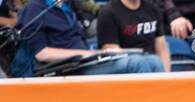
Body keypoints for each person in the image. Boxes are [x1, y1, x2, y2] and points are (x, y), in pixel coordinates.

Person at [18, 0, 166, 73]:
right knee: (137, 63)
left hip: (88, 61)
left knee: (153, 60)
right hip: (68, 68)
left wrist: (95, 54)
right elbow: (41, 53)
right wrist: (87, 54)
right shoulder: (34, 9)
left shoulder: (69, 5)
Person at [96, 0, 171, 70]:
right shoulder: (108, 12)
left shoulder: (152, 9)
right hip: (119, 63)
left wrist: (166, 77)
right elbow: (112, 51)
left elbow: (162, 49)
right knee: (139, 62)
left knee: (155, 61)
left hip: (149, 59)